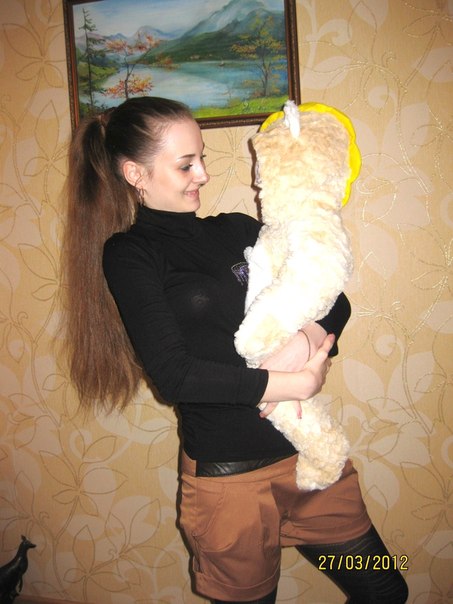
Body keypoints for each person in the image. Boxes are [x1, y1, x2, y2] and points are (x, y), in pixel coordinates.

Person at [61, 96, 408, 604]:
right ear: (136, 174)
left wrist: (305, 342)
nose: (203, 173)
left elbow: (334, 299)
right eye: (185, 164)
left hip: (308, 461)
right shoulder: (130, 253)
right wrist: (292, 383)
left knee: (385, 588)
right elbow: (176, 375)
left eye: (201, 157)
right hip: (230, 484)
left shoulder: (239, 230)